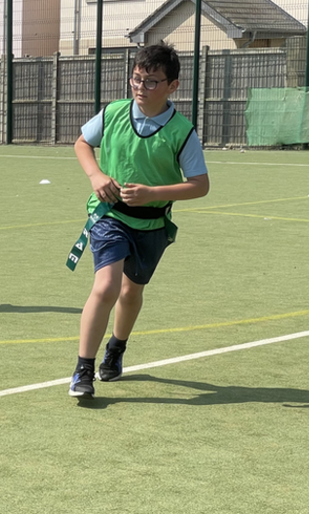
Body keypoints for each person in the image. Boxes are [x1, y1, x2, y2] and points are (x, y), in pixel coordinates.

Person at [68, 42, 210, 398]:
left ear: (172, 86)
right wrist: (96, 177)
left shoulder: (182, 131)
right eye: (136, 79)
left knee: (132, 291)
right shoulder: (114, 112)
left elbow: (200, 185)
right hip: (108, 217)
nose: (140, 87)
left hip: (152, 224)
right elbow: (82, 144)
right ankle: (82, 370)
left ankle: (115, 350)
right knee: (106, 287)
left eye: (150, 82)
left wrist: (153, 193)